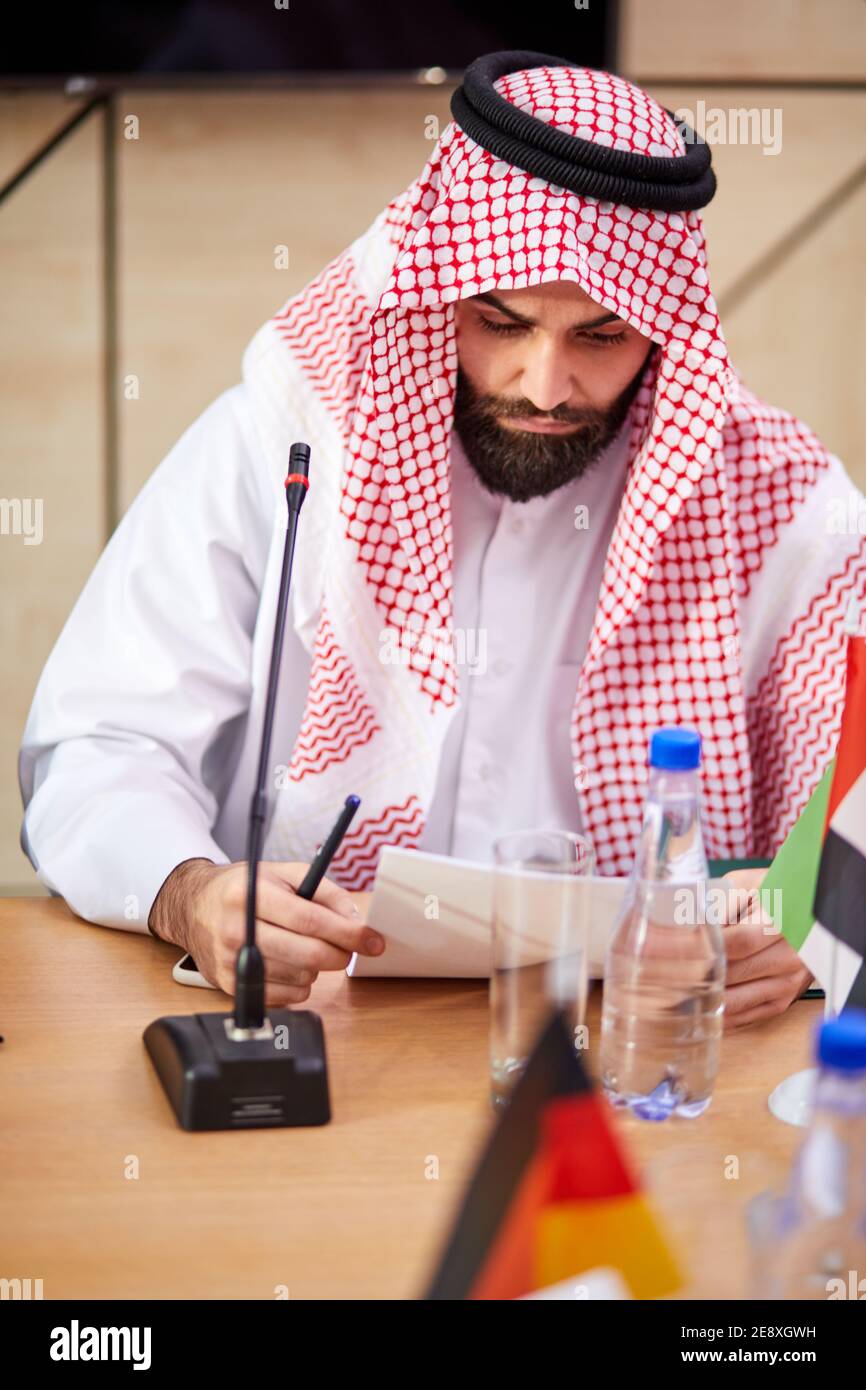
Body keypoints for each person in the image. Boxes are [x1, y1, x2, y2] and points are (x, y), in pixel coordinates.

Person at [19, 53, 865, 1027]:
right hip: (314, 1029)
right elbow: (98, 746)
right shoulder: (285, 448)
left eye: (600, 337)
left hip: (636, 1050)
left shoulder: (765, 495)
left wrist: (808, 922)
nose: (544, 383)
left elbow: (851, 800)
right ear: (433, 299)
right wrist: (189, 892)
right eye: (499, 321)